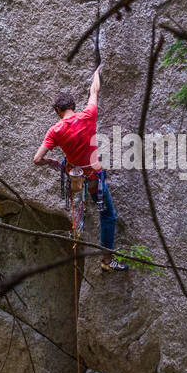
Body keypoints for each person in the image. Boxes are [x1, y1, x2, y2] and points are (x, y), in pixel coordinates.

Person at [33, 66, 128, 271]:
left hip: (75, 179)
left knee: (90, 211)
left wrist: (57, 165)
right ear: (73, 106)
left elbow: (37, 159)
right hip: (94, 179)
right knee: (108, 215)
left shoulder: (55, 130)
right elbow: (94, 91)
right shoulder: (88, 115)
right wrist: (97, 72)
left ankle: (88, 238)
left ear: (58, 111)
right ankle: (106, 260)